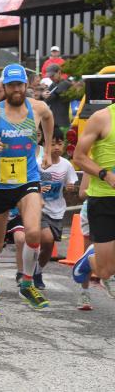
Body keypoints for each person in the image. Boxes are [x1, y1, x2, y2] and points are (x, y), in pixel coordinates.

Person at [0, 63, 54, 319]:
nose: (16, 89)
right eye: (11, 85)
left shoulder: (38, 108)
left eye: (20, 84)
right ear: (4, 87)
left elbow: (49, 119)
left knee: (33, 232)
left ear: (25, 85)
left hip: (27, 180)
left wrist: (48, 149)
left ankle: (27, 283)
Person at [71, 101, 115, 293]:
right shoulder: (102, 118)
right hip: (104, 198)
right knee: (106, 271)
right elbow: (79, 157)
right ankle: (91, 258)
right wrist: (106, 175)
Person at [35, 130, 77, 289]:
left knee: (48, 246)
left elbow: (70, 186)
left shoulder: (66, 165)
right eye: (52, 144)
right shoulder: (38, 164)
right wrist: (37, 190)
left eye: (60, 144)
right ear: (45, 145)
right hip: (39, 209)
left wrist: (70, 188)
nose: (57, 147)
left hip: (57, 211)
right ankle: (26, 271)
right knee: (46, 238)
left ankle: (37, 271)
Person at [43, 64, 72, 131]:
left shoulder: (65, 84)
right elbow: (47, 100)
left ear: (59, 72)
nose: (51, 78)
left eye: (52, 76)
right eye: (50, 77)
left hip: (63, 124)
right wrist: (43, 95)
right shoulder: (52, 85)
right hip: (52, 122)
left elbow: (53, 94)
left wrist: (45, 95)